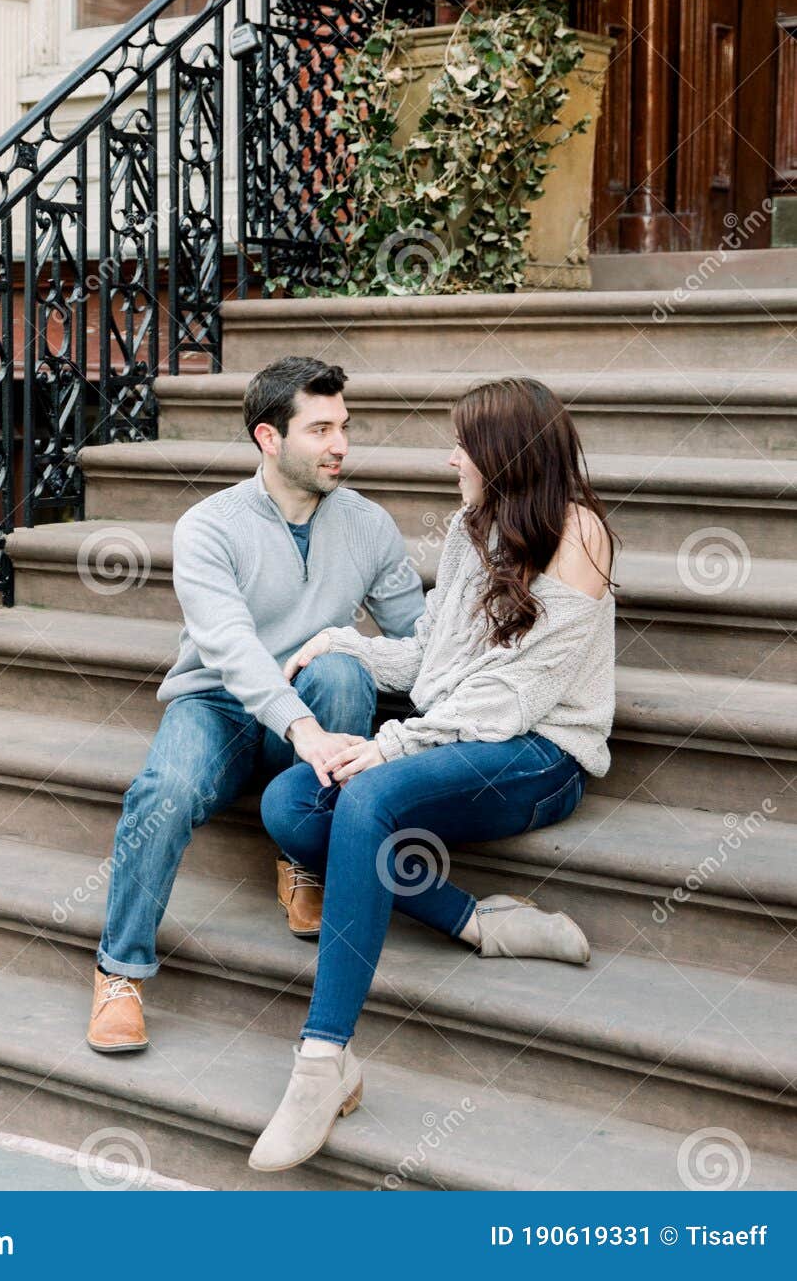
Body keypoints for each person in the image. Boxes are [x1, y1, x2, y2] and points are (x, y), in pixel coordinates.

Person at [248, 376, 618, 1173]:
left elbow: (511, 696)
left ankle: (323, 1059)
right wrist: (343, 643)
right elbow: (433, 662)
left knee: (368, 792)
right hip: (453, 738)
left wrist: (388, 747)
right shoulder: (467, 529)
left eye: (464, 443)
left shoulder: (579, 536)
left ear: (505, 453)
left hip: (538, 756)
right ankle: (475, 921)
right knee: (289, 800)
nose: (452, 457)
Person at [87, 355, 426, 1053]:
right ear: (269, 439)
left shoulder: (368, 525)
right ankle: (119, 973)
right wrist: (301, 730)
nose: (340, 445)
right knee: (164, 790)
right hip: (215, 705)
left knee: (341, 668)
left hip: (312, 709)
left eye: (345, 427)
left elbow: (417, 639)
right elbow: (230, 648)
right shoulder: (209, 526)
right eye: (321, 429)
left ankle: (300, 848)